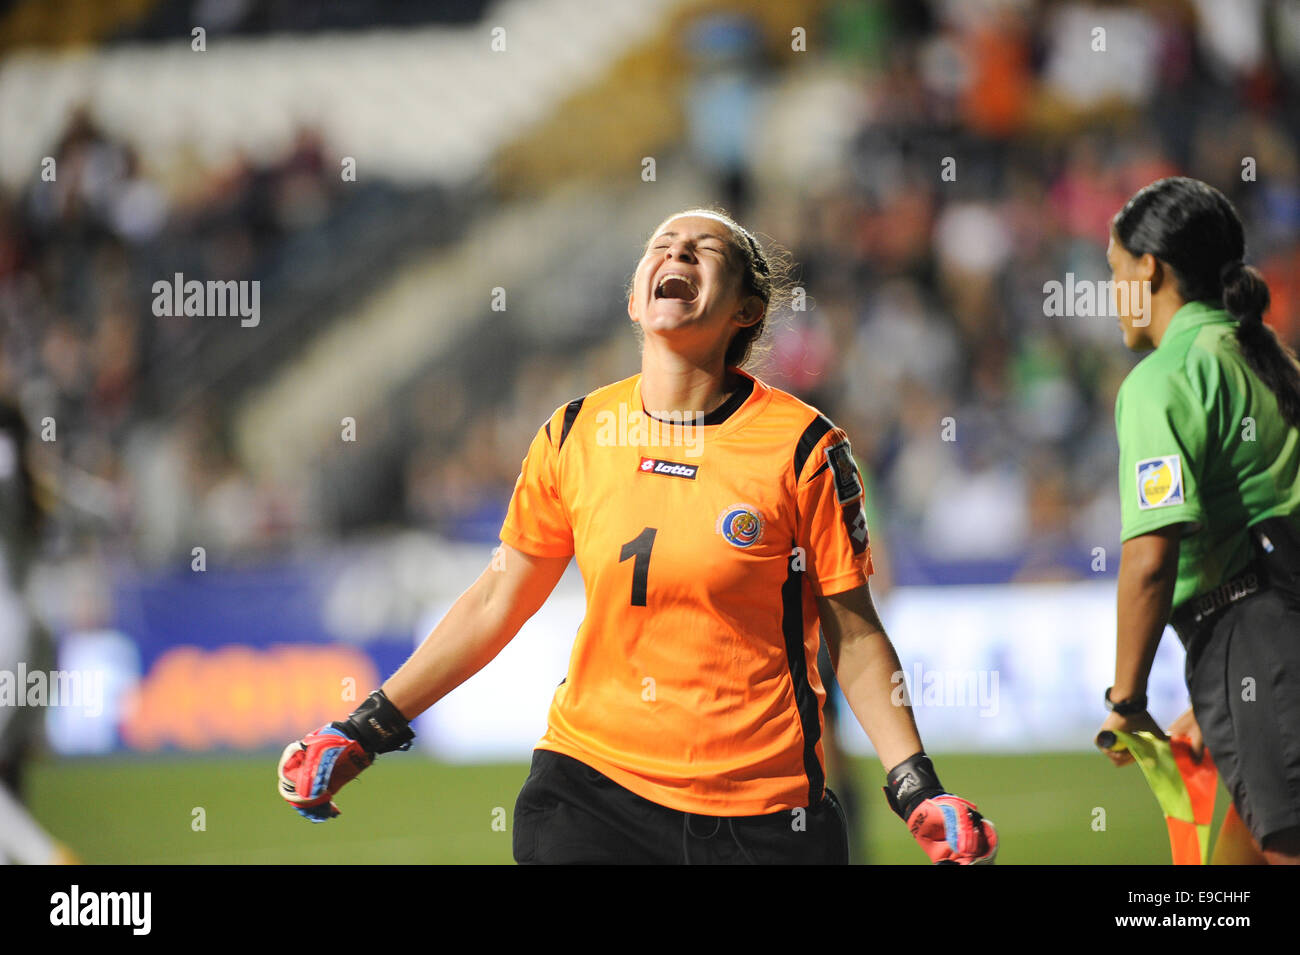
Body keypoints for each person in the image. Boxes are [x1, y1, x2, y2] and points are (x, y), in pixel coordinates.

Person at [278, 208, 998, 865]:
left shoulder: (804, 447)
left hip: (766, 819)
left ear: (745, 310)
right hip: (589, 794)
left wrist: (916, 786)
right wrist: (364, 728)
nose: (677, 249)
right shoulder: (573, 433)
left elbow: (856, 636)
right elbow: (498, 599)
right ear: (634, 299)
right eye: (662, 245)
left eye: (704, 247)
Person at [1097, 177, 1300, 865]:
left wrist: (1125, 698)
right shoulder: (1273, 363)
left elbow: (1150, 558)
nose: (1109, 294)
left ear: (1147, 269)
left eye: (1113, 272)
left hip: (1257, 633)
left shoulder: (1164, 379)